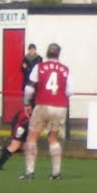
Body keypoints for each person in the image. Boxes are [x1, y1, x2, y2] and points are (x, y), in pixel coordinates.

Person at [22, 42, 70, 180]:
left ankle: (30, 172)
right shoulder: (65, 69)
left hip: (43, 104)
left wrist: (26, 103)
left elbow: (29, 88)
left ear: (47, 53)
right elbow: (70, 91)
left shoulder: (39, 67)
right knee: (53, 138)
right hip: (60, 106)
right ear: (58, 54)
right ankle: (56, 173)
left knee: (32, 137)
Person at [0, 98, 33, 171]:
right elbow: (27, 112)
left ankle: (5, 151)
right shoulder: (27, 111)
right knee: (16, 144)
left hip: (26, 124)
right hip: (20, 124)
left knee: (26, 148)